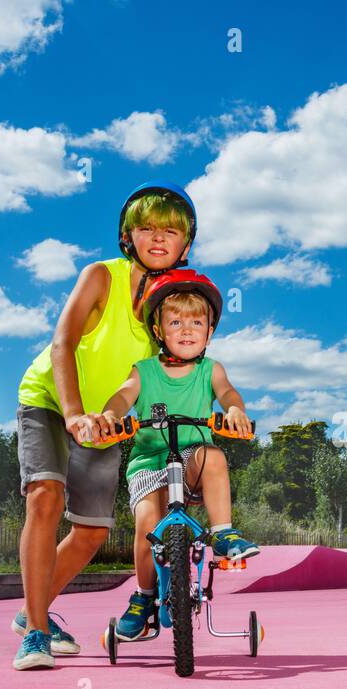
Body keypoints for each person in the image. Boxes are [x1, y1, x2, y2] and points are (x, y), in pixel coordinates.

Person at [11, 181, 200, 671]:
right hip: (51, 400)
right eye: (147, 227)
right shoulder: (102, 277)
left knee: (92, 532)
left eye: (171, 230)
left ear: (186, 241)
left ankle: (31, 608)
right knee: (45, 495)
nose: (158, 238)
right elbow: (63, 342)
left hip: (105, 419)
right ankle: (35, 633)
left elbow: (163, 378)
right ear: (128, 234)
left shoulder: (175, 305)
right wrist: (73, 413)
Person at [97, 269, 259, 642]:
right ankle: (144, 595)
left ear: (209, 332)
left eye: (196, 323)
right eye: (175, 322)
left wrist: (235, 411)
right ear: (159, 331)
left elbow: (229, 393)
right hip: (149, 463)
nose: (186, 330)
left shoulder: (210, 370)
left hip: (190, 460)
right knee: (147, 524)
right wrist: (110, 415)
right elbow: (123, 396)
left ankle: (222, 533)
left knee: (214, 456)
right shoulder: (145, 371)